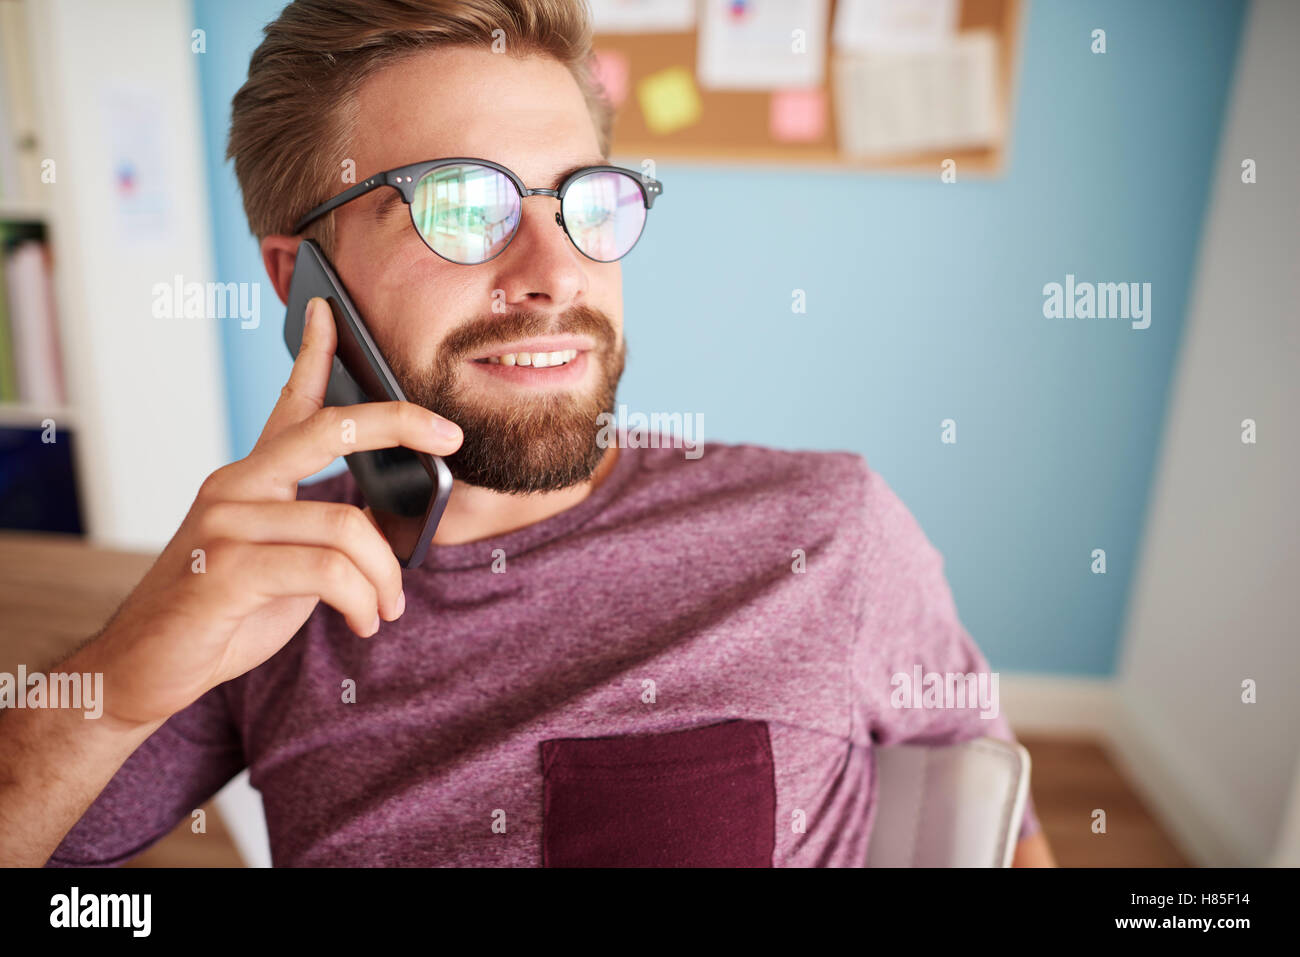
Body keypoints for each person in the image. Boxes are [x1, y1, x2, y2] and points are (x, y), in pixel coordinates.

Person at [0, 0, 1053, 867]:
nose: (555, 272)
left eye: (584, 200)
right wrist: (116, 684)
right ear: (300, 280)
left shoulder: (826, 527)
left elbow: (978, 784)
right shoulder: (265, 595)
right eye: (460, 205)